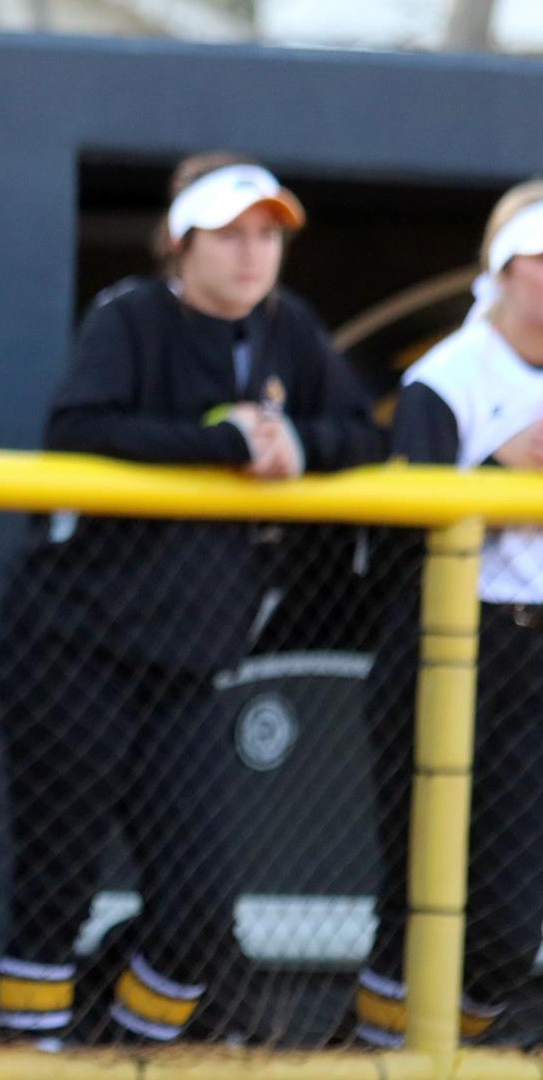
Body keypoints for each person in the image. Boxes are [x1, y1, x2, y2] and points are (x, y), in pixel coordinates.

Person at [0, 152, 386, 1047]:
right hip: (74, 645)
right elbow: (78, 430)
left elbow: (364, 435)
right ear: (181, 244)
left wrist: (298, 446)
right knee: (58, 878)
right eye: (229, 235)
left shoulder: (289, 327)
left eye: (267, 236)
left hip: (193, 658)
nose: (251, 254)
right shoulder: (129, 315)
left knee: (200, 904)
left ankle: (128, 1050)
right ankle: (28, 1057)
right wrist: (224, 443)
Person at [350, 178, 543, 1050]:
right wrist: (501, 474)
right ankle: (373, 1059)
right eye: (540, 258)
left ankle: (443, 1055)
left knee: (507, 930)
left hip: (535, 655)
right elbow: (396, 549)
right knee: (418, 898)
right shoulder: (447, 377)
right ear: (500, 270)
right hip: (446, 649)